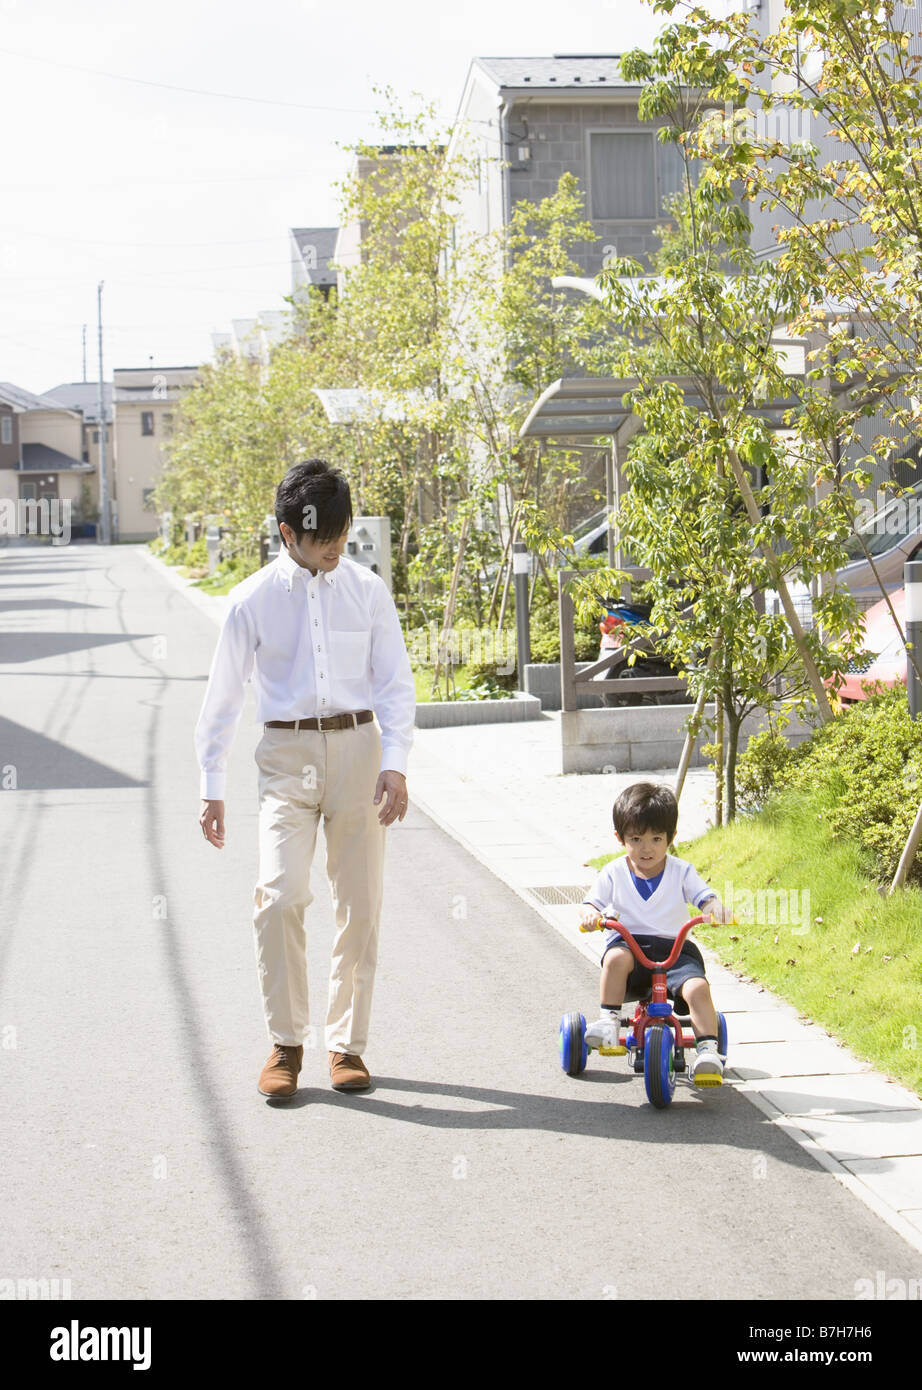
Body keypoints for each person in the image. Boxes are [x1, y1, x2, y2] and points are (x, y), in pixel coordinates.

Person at [194, 459, 416, 1101]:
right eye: (325, 539)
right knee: (280, 894)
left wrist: (395, 762)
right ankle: (286, 1043)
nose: (338, 548)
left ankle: (346, 1047)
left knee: (361, 906)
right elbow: (223, 698)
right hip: (285, 760)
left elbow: (395, 686)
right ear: (288, 533)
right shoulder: (251, 600)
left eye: (344, 535)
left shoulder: (367, 592)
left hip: (358, 752)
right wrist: (212, 784)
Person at [579, 781, 729, 1085]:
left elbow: (704, 897)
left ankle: (708, 1052)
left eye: (656, 839)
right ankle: (609, 1022)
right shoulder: (613, 872)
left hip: (674, 949)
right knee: (615, 959)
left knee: (698, 987)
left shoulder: (682, 871)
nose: (646, 848)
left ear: (671, 838)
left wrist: (713, 907)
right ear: (620, 838)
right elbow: (590, 902)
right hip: (631, 945)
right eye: (636, 839)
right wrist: (590, 915)